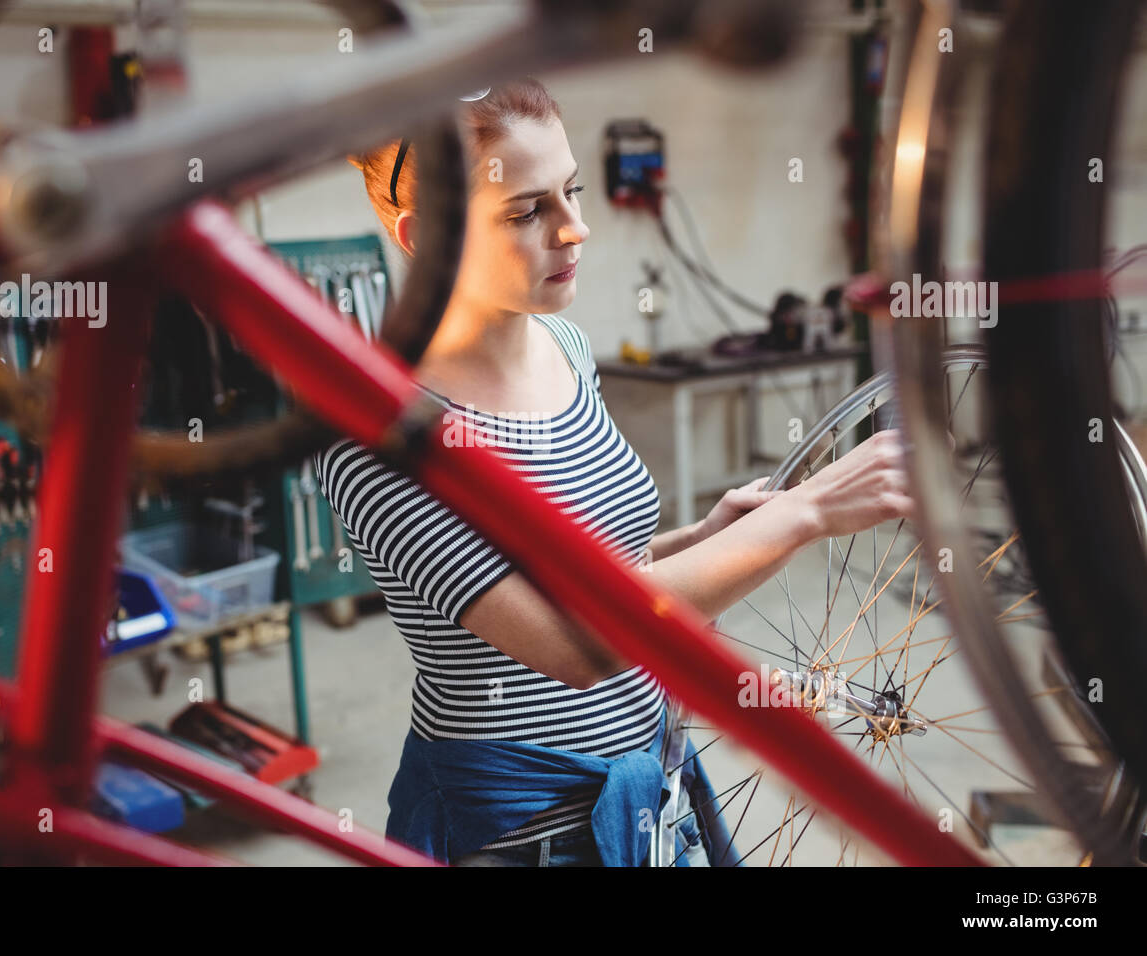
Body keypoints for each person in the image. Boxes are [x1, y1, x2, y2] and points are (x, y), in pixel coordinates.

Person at [315, 77, 914, 866]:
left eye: (572, 192)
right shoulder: (381, 436)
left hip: (650, 784)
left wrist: (699, 540)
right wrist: (803, 515)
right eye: (528, 211)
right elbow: (577, 645)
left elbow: (594, 571)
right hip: (522, 828)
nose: (577, 230)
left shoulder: (561, 348)